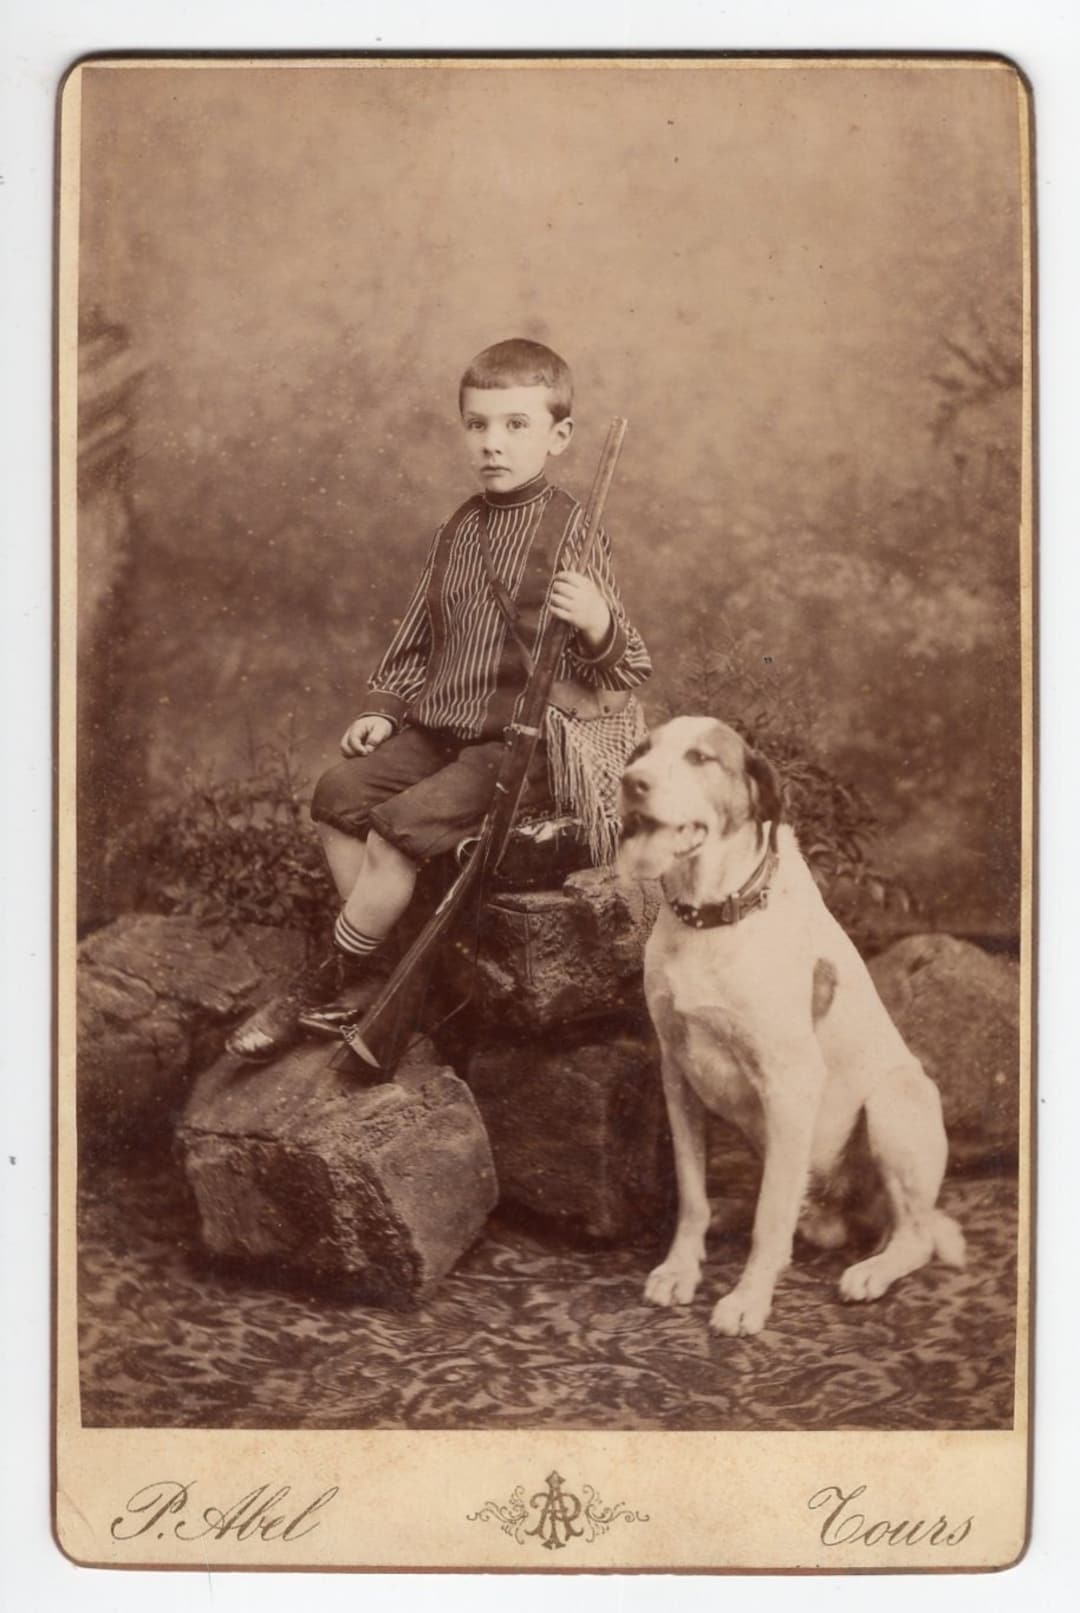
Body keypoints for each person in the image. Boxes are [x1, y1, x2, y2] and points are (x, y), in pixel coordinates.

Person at [227, 338, 651, 1061]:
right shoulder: (458, 529)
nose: (492, 443)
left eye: (516, 425)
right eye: (477, 424)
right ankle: (384, 965)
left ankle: (329, 978)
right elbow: (419, 636)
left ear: (558, 436)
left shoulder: (573, 530)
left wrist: (595, 620)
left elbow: (625, 668)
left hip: (519, 747)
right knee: (337, 794)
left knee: (396, 832)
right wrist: (382, 708)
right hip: (439, 731)